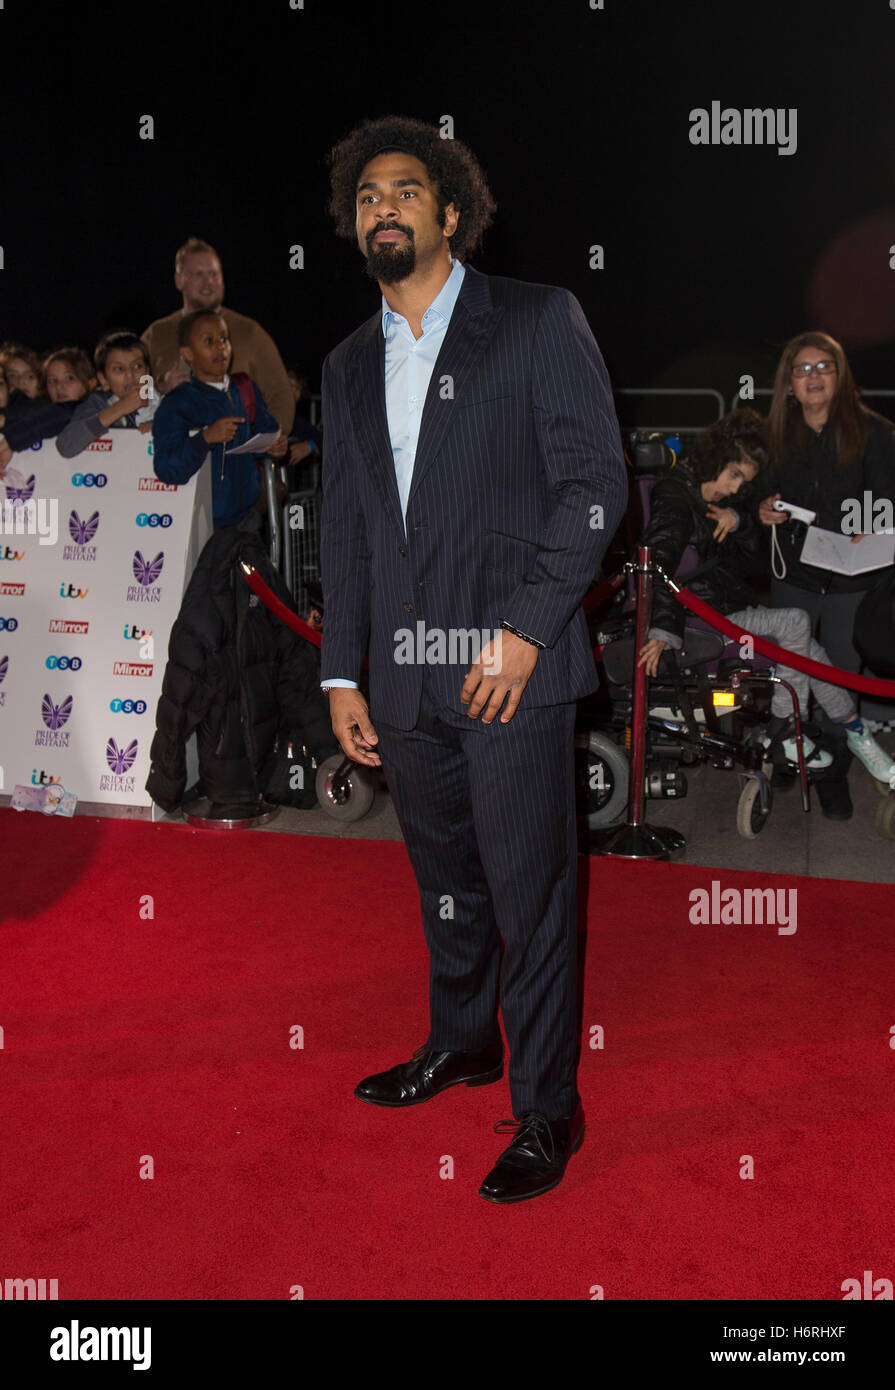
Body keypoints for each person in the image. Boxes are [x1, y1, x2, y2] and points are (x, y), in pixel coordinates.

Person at [319, 115, 627, 1204]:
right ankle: (465, 1040)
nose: (381, 207)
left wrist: (530, 626)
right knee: (444, 885)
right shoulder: (349, 364)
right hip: (399, 681)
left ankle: (547, 1104)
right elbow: (347, 527)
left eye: (403, 189)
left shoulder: (539, 321)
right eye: (363, 197)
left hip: (509, 668)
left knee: (529, 894)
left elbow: (596, 485)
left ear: (451, 211)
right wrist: (340, 670)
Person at [637, 411, 895, 800]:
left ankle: (856, 731)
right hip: (700, 619)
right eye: (734, 474)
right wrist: (660, 629)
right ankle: (785, 729)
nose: (735, 486)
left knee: (810, 653)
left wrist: (739, 520)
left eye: (745, 480)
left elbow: (749, 562)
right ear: (717, 457)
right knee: (795, 622)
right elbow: (655, 563)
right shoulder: (675, 495)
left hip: (721, 609)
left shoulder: (720, 500)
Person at [758, 332, 895, 748]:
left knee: (838, 678)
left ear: (840, 376)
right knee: (788, 673)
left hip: (850, 582)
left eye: (823, 367)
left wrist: (872, 522)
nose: (812, 376)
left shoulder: (876, 432)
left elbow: (888, 500)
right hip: (793, 576)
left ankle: (835, 770)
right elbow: (757, 493)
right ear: (789, 382)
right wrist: (760, 510)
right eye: (802, 369)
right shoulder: (774, 434)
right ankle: (785, 756)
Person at [142, 237, 295, 439]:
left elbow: (281, 395)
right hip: (169, 456)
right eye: (198, 275)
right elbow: (130, 389)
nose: (208, 282)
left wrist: (267, 441)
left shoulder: (250, 332)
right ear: (179, 280)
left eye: (214, 274)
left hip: (235, 456)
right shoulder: (157, 334)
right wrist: (158, 388)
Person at [151, 308, 287, 530]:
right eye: (208, 341)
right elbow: (167, 468)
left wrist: (274, 446)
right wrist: (204, 438)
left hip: (248, 517)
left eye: (224, 339)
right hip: (203, 527)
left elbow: (263, 431)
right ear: (187, 353)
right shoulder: (177, 403)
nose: (220, 347)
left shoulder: (244, 388)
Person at [56, 332, 156, 458]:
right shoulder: (97, 404)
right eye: (119, 369)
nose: (130, 376)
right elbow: (66, 445)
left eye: (137, 366)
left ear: (147, 372)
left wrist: (161, 424)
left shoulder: (164, 402)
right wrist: (120, 408)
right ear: (103, 379)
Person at [0, 347, 95, 468]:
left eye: (70, 378)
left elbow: (65, 412)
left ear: (91, 383)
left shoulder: (92, 407)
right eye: (52, 381)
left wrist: (10, 438)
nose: (59, 386)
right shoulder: (43, 413)